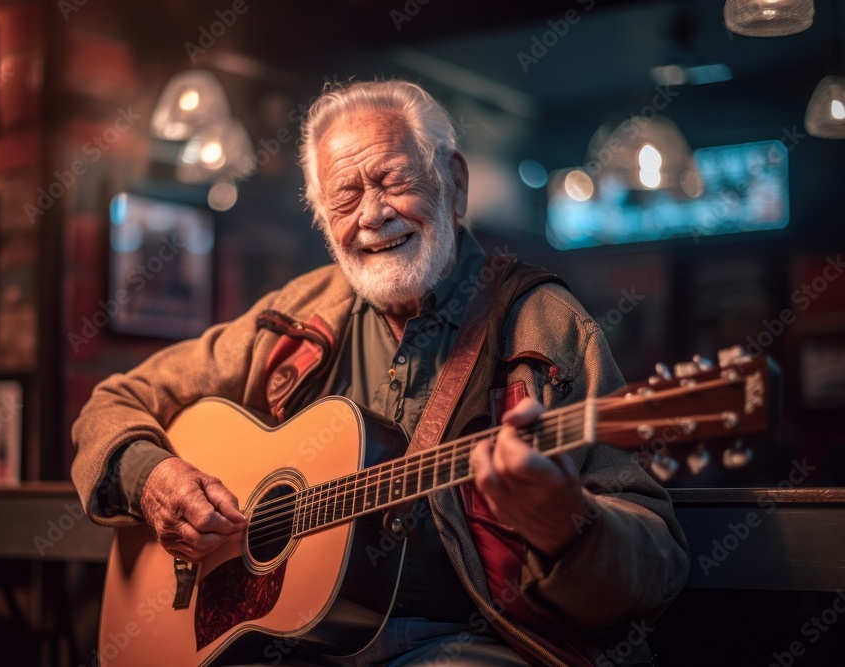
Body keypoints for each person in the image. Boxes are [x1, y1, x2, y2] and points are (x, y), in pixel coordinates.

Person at [71, 80, 691, 666]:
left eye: (393, 181)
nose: (372, 215)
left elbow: (656, 563)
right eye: (344, 196)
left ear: (454, 181)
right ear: (323, 219)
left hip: (467, 642)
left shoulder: (546, 326)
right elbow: (116, 398)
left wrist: (569, 526)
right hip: (299, 645)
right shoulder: (297, 313)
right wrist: (152, 476)